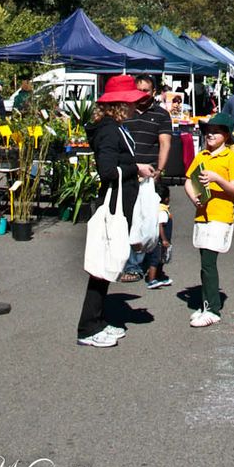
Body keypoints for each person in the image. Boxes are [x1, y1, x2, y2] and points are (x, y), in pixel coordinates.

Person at [77, 75, 156, 348]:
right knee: (102, 267)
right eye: (132, 102)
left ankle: (97, 321)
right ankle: (88, 327)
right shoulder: (109, 130)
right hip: (112, 205)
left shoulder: (116, 127)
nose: (136, 106)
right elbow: (107, 170)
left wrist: (136, 167)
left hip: (121, 203)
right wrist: (137, 168)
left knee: (108, 266)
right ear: (120, 105)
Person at [185, 112, 234, 328]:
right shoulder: (201, 155)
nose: (210, 135)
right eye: (208, 131)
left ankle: (213, 309)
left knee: (209, 262)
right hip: (202, 214)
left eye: (216, 132)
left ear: (226, 136)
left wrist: (217, 178)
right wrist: (194, 199)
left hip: (221, 214)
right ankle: (207, 303)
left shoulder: (230, 158)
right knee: (204, 261)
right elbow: (189, 181)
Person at [120, 74, 173, 287]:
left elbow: (165, 143)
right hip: (128, 171)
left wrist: (159, 170)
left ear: (153, 93)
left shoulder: (161, 115)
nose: (142, 94)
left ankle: (146, 265)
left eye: (146, 90)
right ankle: (131, 263)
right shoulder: (127, 113)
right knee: (130, 218)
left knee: (150, 219)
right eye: (139, 89)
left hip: (150, 173)